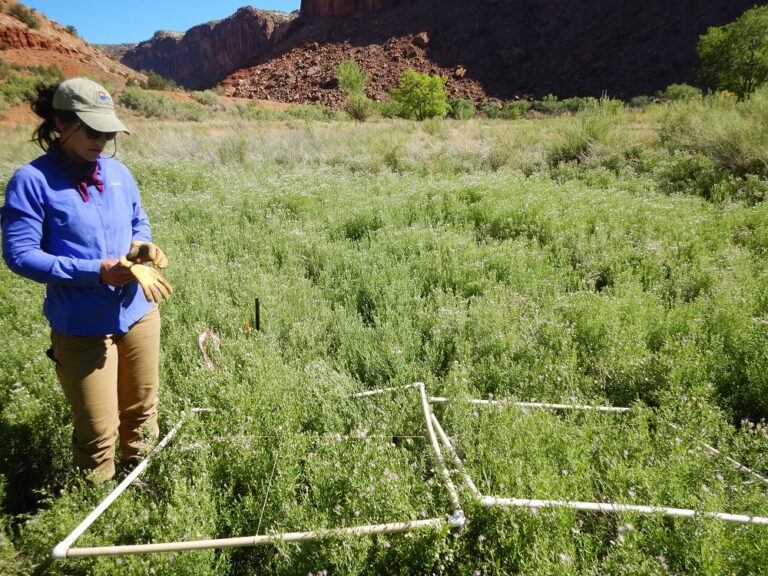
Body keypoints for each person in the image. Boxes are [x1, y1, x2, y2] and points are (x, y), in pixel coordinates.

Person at [1, 77, 173, 481]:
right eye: (93, 130)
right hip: (80, 324)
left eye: (108, 131)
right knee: (99, 430)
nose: (102, 139)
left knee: (142, 411)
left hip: (138, 311)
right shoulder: (31, 182)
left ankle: (139, 488)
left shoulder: (118, 173)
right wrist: (98, 271)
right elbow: (20, 255)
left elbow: (137, 218)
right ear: (62, 122)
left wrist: (141, 245)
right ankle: (95, 510)